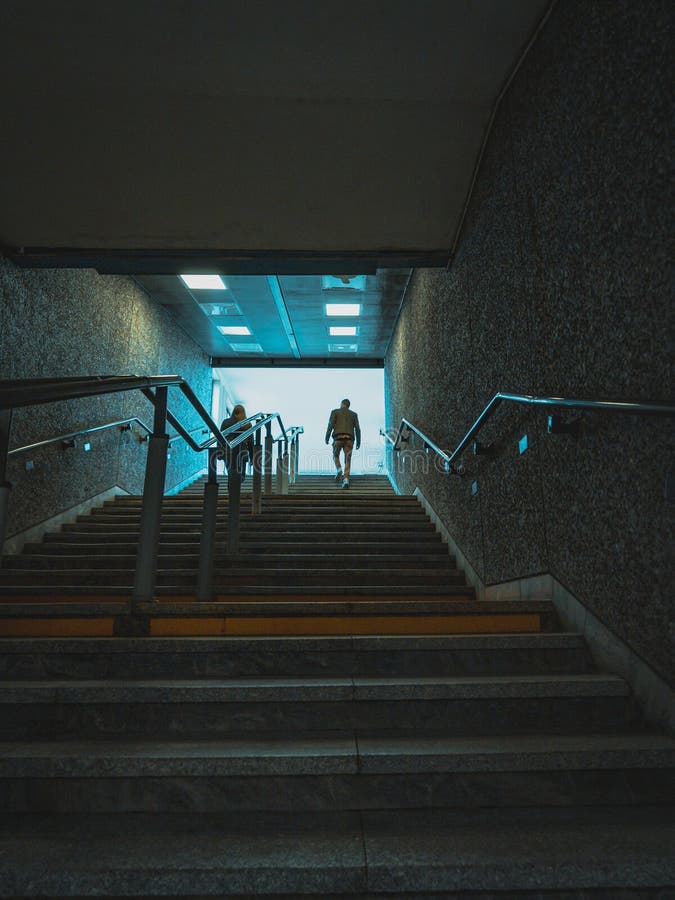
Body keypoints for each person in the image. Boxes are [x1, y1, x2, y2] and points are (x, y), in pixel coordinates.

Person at [325, 398, 361, 488]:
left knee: (335, 455)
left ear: (341, 404)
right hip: (349, 439)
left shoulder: (335, 412)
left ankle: (339, 469)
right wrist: (358, 442)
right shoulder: (354, 414)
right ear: (348, 406)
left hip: (338, 438)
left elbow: (330, 425)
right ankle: (345, 480)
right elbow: (357, 428)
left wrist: (327, 437)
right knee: (348, 459)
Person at [220, 404, 254, 484]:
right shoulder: (247, 424)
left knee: (230, 474)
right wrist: (252, 457)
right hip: (242, 452)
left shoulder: (225, 422)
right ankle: (236, 489)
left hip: (228, 452)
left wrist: (219, 452)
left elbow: (220, 437)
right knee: (241, 475)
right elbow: (250, 442)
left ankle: (232, 491)